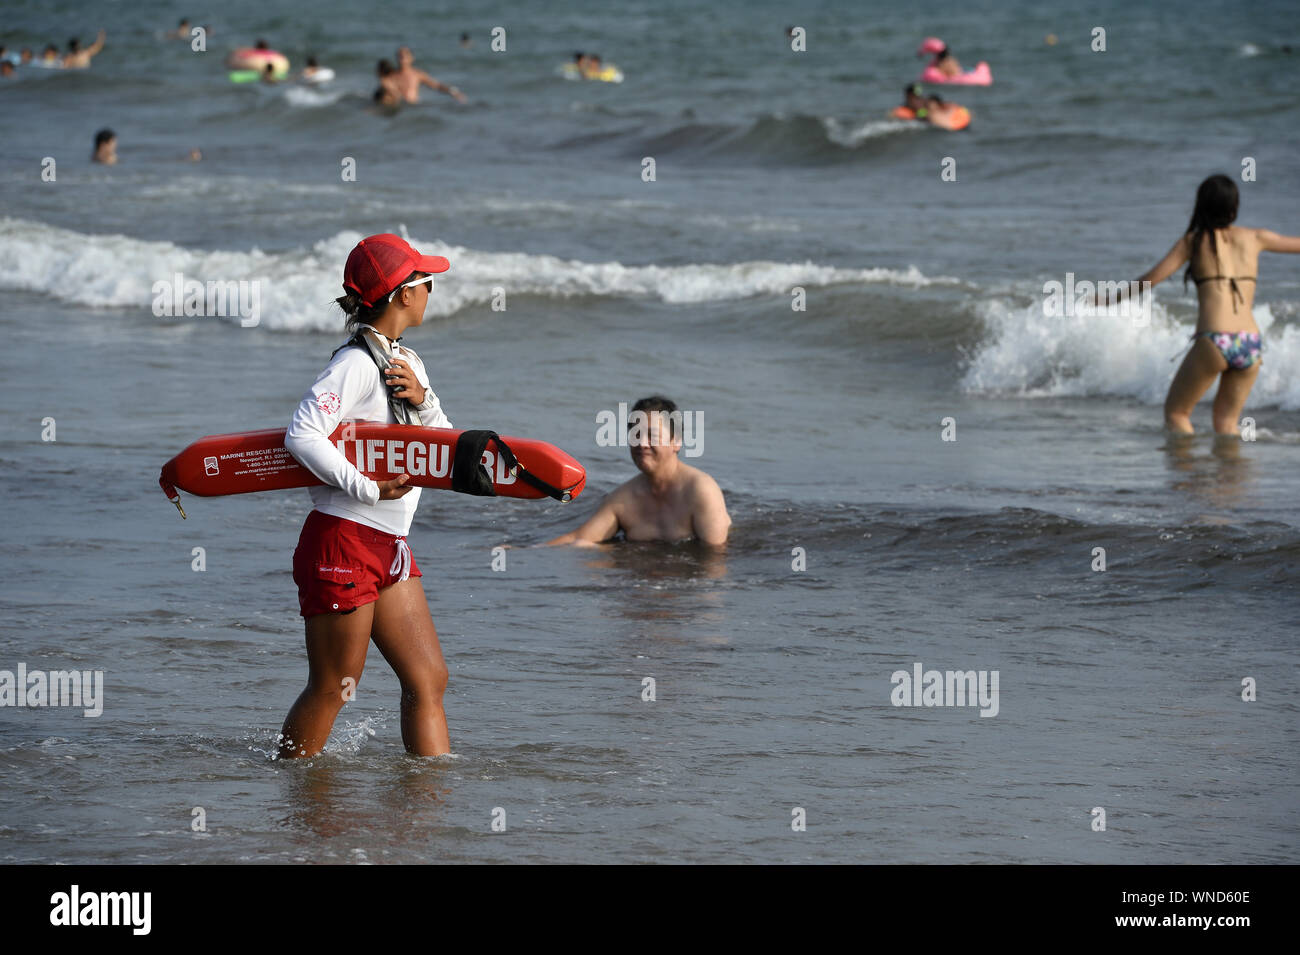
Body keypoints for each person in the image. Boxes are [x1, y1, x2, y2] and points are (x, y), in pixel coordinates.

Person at [279, 233, 455, 759]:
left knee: (428, 678)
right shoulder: (355, 365)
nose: (431, 291)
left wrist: (422, 400)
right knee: (334, 686)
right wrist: (366, 487)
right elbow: (302, 433)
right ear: (403, 294)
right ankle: (293, 792)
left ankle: (430, 810)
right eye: (426, 282)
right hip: (344, 539)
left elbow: (442, 443)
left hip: (389, 543)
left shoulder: (407, 362)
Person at [1099, 174, 1300, 435]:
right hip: (1250, 342)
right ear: (1233, 207)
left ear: (1201, 205)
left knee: (1176, 413)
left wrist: (1107, 300)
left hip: (1216, 340)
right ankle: (1230, 474)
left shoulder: (1192, 243)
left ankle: (1188, 475)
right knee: (1227, 424)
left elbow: (1150, 280)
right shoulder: (1256, 237)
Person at [547, 396, 730, 547]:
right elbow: (580, 538)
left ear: (676, 441)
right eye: (635, 434)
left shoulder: (700, 490)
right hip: (641, 581)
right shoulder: (623, 499)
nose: (642, 443)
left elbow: (716, 559)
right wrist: (528, 551)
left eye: (652, 435)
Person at [393, 45, 465, 103]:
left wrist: (453, 92)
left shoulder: (417, 74)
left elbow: (436, 85)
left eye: (405, 55)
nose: (402, 58)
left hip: (413, 107)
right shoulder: (392, 75)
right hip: (397, 108)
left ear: (411, 58)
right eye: (399, 55)